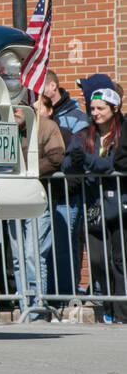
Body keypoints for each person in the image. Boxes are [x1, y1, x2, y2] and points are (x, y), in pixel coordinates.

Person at [65, 87, 127, 322]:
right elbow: (67, 164)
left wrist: (89, 160)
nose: (95, 113)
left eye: (100, 108)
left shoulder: (122, 134)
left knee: (120, 260)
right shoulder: (83, 134)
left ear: (114, 108)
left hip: (120, 206)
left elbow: (114, 165)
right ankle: (110, 307)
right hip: (93, 207)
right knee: (98, 261)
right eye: (92, 108)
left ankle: (122, 313)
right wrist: (79, 162)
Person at [11, 93, 64, 321]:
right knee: (17, 256)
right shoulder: (7, 131)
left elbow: (56, 157)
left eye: (20, 106)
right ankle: (25, 302)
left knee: (34, 253)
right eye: (11, 107)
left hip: (36, 198)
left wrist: (26, 171)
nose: (15, 111)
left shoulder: (47, 126)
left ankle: (38, 304)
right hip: (13, 200)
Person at [41, 71, 89, 304]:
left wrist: (68, 179)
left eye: (42, 87)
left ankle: (65, 298)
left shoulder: (76, 116)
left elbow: (76, 153)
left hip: (67, 194)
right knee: (47, 249)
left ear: (53, 86)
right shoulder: (41, 117)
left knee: (64, 248)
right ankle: (51, 298)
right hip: (47, 193)